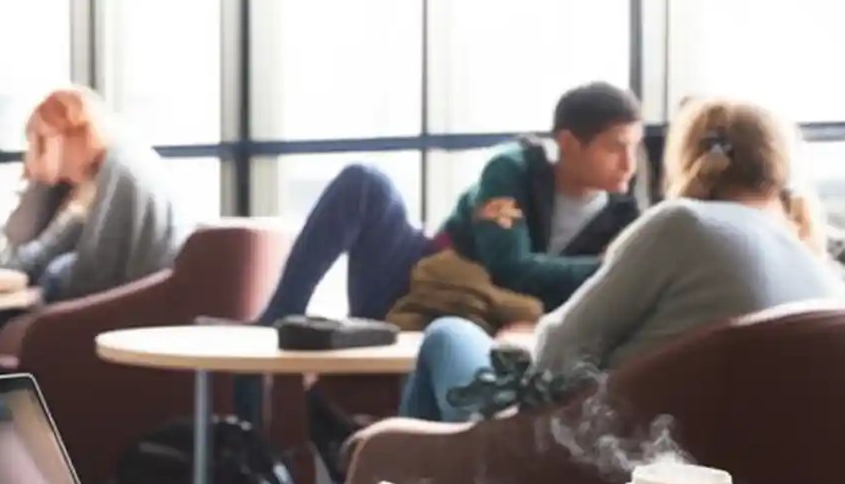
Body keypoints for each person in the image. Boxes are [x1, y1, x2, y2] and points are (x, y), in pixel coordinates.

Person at [401, 98, 843, 422]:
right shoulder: (818, 275)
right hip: (718, 482)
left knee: (449, 336)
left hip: (590, 466)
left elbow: (556, 355)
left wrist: (521, 343)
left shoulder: (683, 224)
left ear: (690, 157)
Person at [239, 82, 645, 422]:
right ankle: (276, 317)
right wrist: (607, 267)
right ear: (569, 143)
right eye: (616, 147)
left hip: (483, 331)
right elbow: (508, 266)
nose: (630, 162)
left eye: (635, 147)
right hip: (418, 284)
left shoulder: (627, 221)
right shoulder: (513, 168)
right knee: (364, 183)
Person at [0, 86, 185, 381]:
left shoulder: (119, 173)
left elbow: (89, 278)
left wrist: (66, 234)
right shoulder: (88, 180)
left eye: (39, 140)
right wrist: (42, 187)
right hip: (89, 312)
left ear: (72, 134)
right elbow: (14, 265)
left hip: (107, 320)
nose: (32, 152)